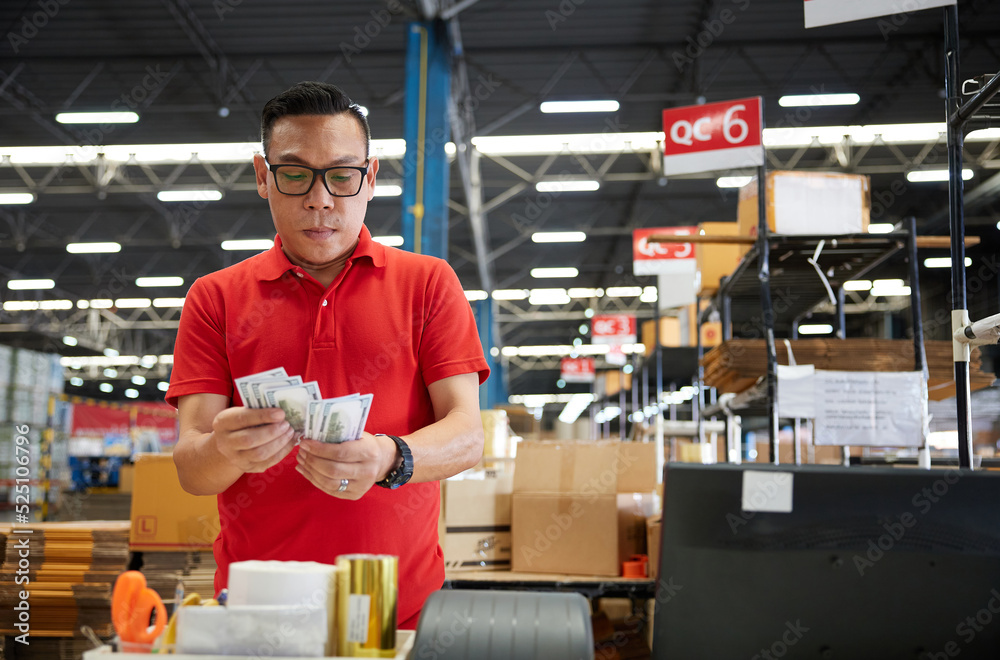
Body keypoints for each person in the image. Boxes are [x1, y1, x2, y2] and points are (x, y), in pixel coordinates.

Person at [166, 81, 489, 628]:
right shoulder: (215, 298)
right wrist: (226, 448)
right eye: (295, 175)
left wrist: (391, 457)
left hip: (398, 613)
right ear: (263, 178)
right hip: (258, 615)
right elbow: (193, 470)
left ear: (371, 178)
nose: (321, 199)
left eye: (342, 175)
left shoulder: (428, 284)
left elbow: (467, 433)